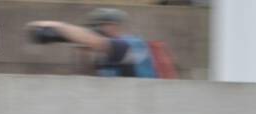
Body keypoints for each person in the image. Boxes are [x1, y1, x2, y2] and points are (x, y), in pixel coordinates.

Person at [27, 7, 158, 78]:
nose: (93, 33)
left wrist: (56, 26)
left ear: (112, 26)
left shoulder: (133, 45)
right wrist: (84, 54)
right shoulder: (106, 54)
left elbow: (97, 42)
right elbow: (89, 84)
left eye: (97, 28)